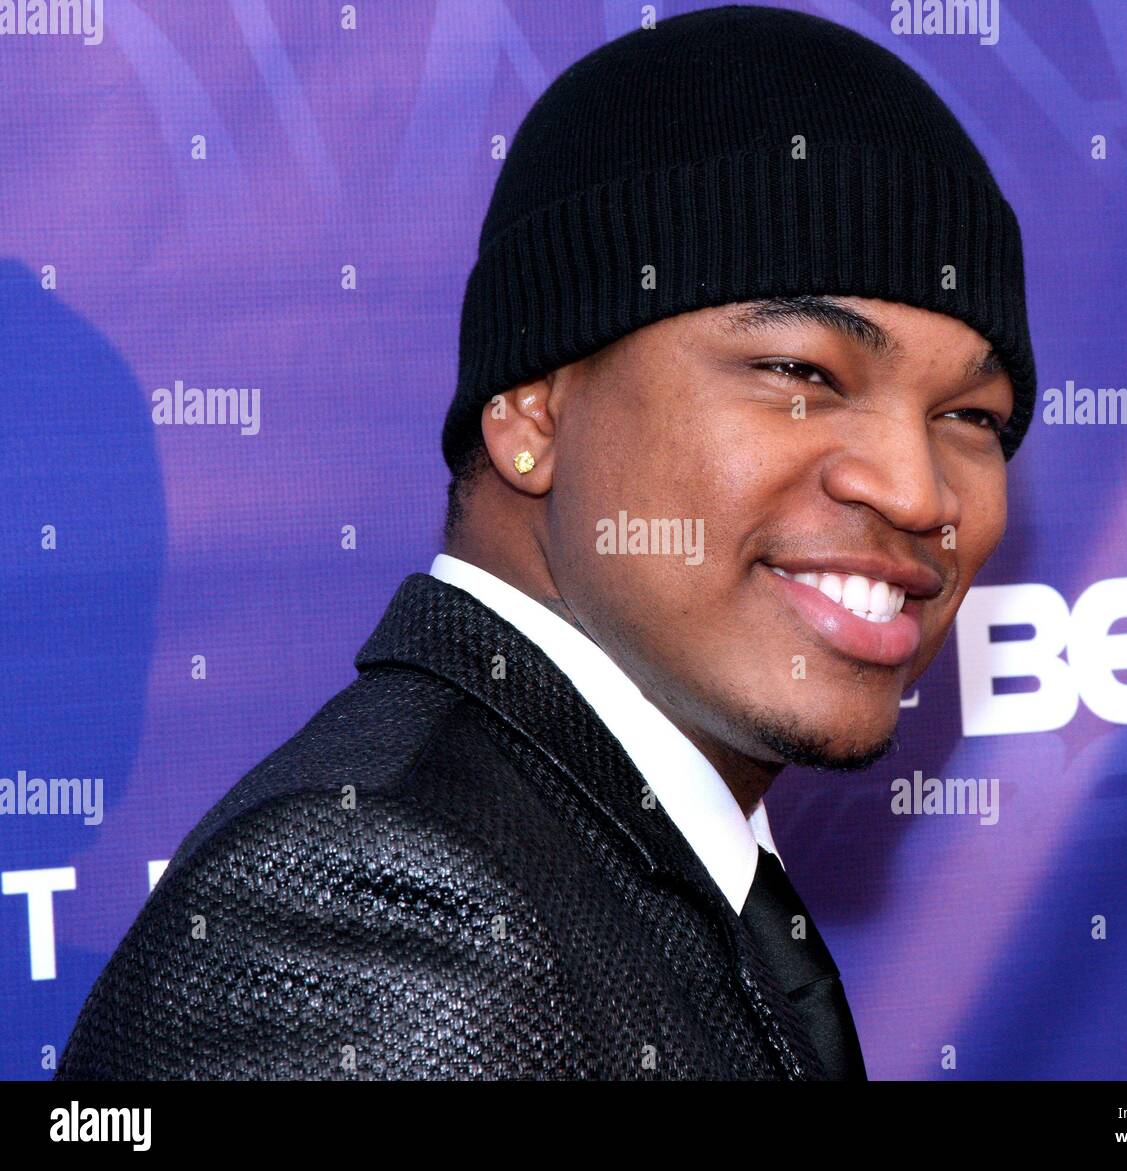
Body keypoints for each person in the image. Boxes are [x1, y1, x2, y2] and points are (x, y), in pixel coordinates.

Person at [55, 3, 1035, 1081]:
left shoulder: (617, 847)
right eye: (801, 375)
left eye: (972, 418)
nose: (913, 488)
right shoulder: (384, 911)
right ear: (530, 416)